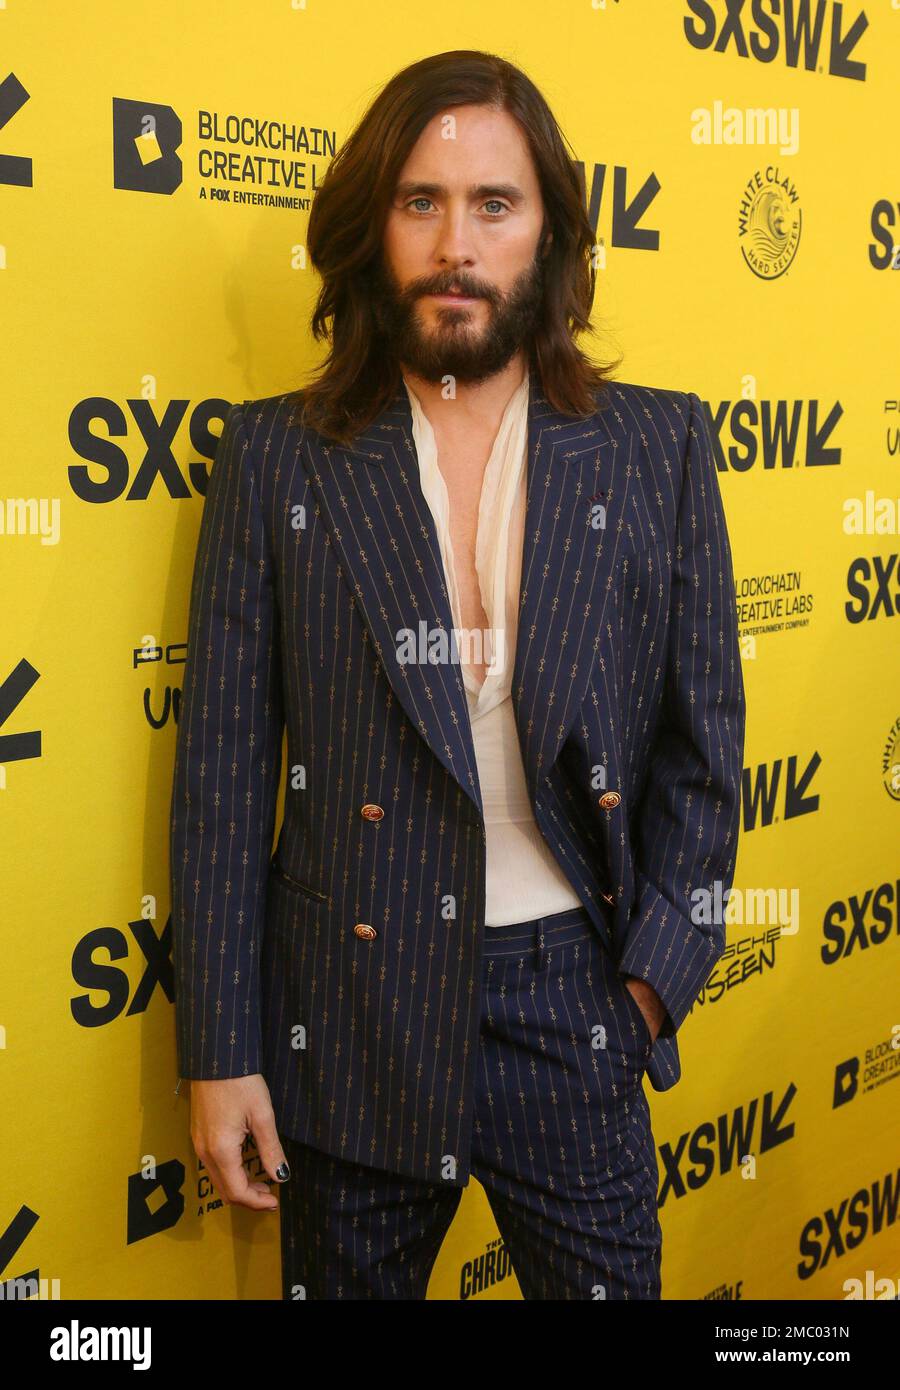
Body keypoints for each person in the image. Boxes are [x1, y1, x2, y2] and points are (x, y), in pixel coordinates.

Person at [169, 49, 746, 1300]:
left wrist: (649, 985)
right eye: (419, 201)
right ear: (372, 227)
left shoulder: (657, 447)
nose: (455, 243)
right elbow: (220, 775)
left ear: (549, 232)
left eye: (495, 203)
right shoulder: (277, 460)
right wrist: (220, 1049)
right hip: (350, 1012)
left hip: (577, 999)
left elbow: (705, 761)